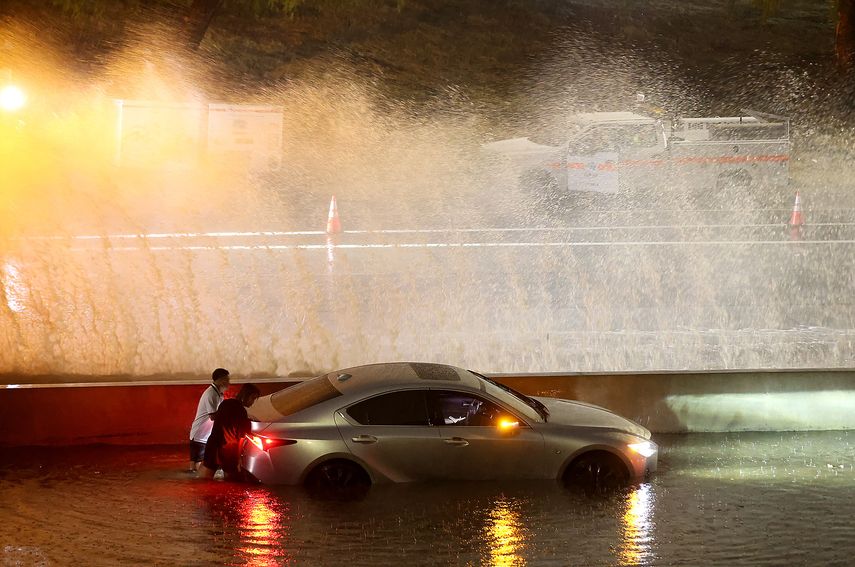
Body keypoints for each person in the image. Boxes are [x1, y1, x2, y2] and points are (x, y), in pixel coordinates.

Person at [198, 383, 261, 481]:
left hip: (213, 444)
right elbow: (241, 436)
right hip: (229, 449)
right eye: (253, 398)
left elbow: (218, 424)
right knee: (231, 482)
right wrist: (239, 458)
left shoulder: (225, 404)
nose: (253, 402)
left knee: (204, 478)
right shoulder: (242, 412)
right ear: (247, 395)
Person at [188, 368, 231, 473]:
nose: (229, 383)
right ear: (220, 380)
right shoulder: (211, 394)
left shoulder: (218, 393)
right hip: (200, 434)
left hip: (204, 434)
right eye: (227, 380)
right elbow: (213, 416)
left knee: (196, 463)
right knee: (196, 465)